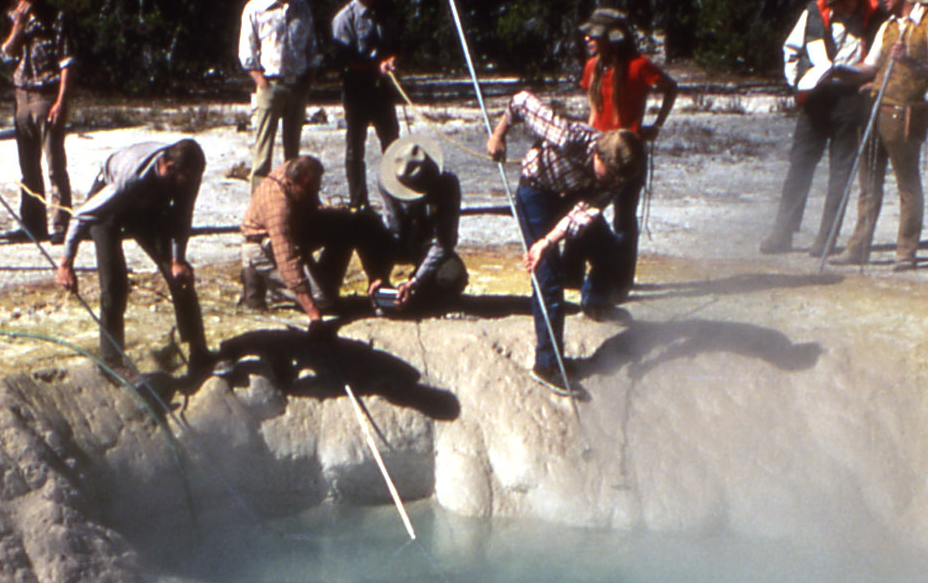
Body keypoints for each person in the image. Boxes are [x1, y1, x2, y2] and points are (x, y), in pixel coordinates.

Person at [487, 90, 641, 392]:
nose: (609, 182)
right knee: (549, 276)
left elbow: (585, 211)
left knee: (609, 250)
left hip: (573, 198)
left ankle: (595, 302)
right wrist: (498, 134)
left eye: (614, 179)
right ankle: (547, 364)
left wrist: (548, 240)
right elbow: (520, 101)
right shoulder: (568, 135)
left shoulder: (618, 175)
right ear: (599, 154)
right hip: (537, 191)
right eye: (607, 175)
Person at [56, 140, 210, 372]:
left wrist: (178, 259)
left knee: (180, 277)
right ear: (168, 167)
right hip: (110, 211)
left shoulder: (189, 173)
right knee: (115, 285)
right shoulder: (131, 177)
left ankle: (199, 353)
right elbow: (81, 216)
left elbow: (182, 215)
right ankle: (112, 361)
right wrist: (66, 263)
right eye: (185, 180)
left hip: (147, 210)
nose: (189, 185)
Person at [840, 0, 928, 272]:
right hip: (875, 110)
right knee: (868, 184)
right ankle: (858, 247)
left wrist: (913, 62)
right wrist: (841, 73)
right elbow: (871, 65)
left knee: (908, 185)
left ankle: (906, 252)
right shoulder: (887, 27)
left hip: (904, 113)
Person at [761, 0, 879, 255]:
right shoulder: (813, 13)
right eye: (833, 2)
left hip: (851, 98)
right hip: (815, 98)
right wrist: (798, 82)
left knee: (841, 173)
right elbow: (791, 50)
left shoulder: (876, 15)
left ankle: (825, 239)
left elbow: (883, 57)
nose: (839, 7)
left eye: (843, 0)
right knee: (799, 167)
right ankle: (782, 233)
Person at [577, 8, 676, 293]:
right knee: (587, 211)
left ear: (613, 37)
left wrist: (656, 124)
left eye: (595, 35)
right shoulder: (592, 67)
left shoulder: (638, 65)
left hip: (628, 153)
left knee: (624, 216)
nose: (588, 39)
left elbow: (670, 88)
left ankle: (623, 280)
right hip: (598, 151)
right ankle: (591, 273)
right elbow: (593, 111)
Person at [237, 154, 389, 335]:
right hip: (263, 246)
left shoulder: (294, 171)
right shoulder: (278, 208)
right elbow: (287, 258)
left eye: (315, 189)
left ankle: (333, 283)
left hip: (297, 227)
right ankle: (267, 285)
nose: (314, 195)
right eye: (309, 191)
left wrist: (375, 275)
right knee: (323, 300)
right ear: (292, 184)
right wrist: (314, 315)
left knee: (348, 222)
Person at [0, 0, 76, 244]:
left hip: (46, 94)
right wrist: (17, 29)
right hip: (22, 94)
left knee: (54, 164)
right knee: (28, 167)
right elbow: (6, 54)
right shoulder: (12, 17)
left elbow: (67, 62)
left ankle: (60, 224)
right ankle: (32, 223)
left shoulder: (56, 18)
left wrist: (61, 101)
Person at [238, 0, 319, 184]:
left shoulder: (301, 8)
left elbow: (312, 47)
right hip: (270, 84)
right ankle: (258, 209)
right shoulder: (255, 8)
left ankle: (292, 203)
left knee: (293, 153)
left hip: (298, 85)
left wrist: (308, 81)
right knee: (263, 153)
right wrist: (261, 82)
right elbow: (246, 51)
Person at [331, 0, 400, 210]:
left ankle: (397, 198)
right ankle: (358, 201)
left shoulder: (386, 15)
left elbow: (396, 46)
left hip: (384, 93)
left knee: (393, 144)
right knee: (355, 149)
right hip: (356, 93)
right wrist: (374, 67)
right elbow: (344, 61)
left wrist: (393, 59)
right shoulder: (343, 18)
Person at [373, 139, 467, 316]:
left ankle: (418, 298)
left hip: (429, 242)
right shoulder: (387, 182)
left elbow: (444, 242)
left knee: (452, 277)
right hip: (401, 237)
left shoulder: (448, 185)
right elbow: (391, 226)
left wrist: (414, 282)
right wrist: (378, 273)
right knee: (370, 231)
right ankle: (381, 290)